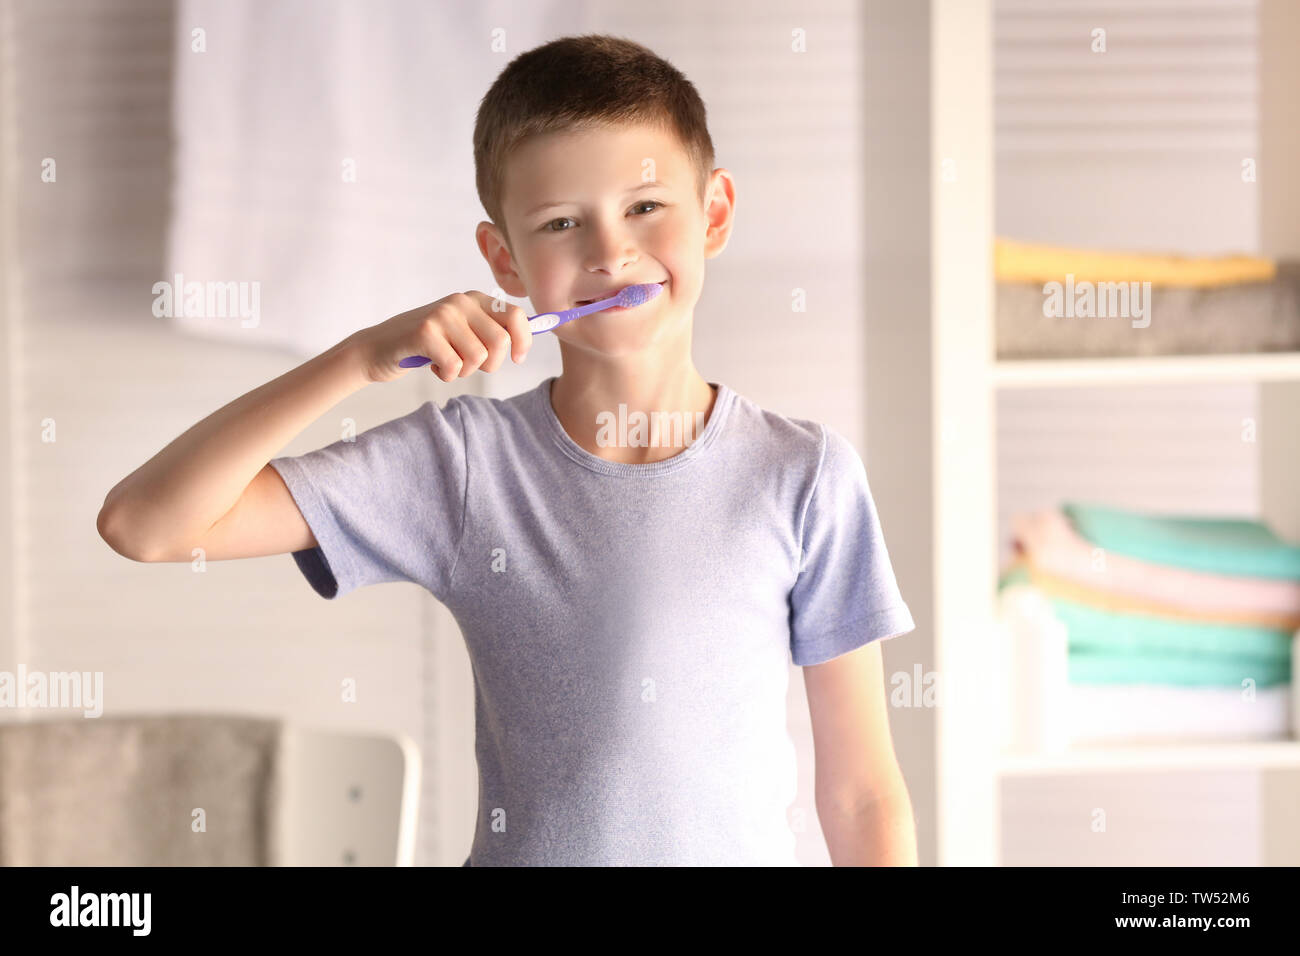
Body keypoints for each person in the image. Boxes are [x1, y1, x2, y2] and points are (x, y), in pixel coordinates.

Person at [98, 34, 917, 866]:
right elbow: (146, 524)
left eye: (644, 207)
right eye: (562, 223)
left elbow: (862, 795)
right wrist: (356, 358)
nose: (609, 252)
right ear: (506, 261)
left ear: (713, 213)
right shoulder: (463, 467)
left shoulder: (805, 476)